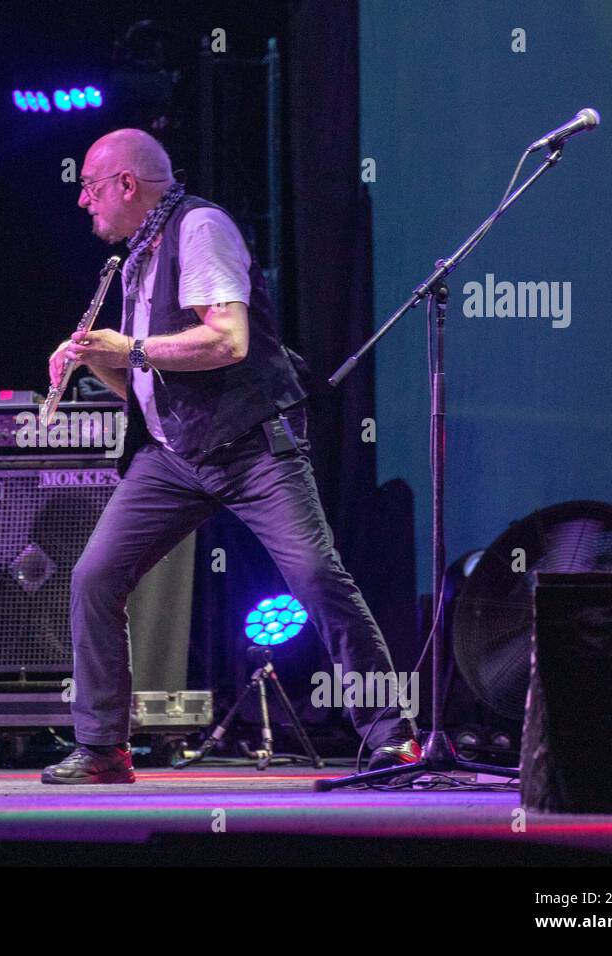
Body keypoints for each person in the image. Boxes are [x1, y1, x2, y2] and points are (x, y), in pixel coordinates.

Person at [41, 129, 418, 784]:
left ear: (127, 185)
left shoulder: (200, 228)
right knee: (94, 576)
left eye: (92, 187)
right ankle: (104, 748)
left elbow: (228, 341)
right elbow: (143, 382)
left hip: (251, 444)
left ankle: (393, 735)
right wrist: (94, 359)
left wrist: (125, 346)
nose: (83, 201)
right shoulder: (135, 259)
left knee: (316, 577)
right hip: (176, 453)